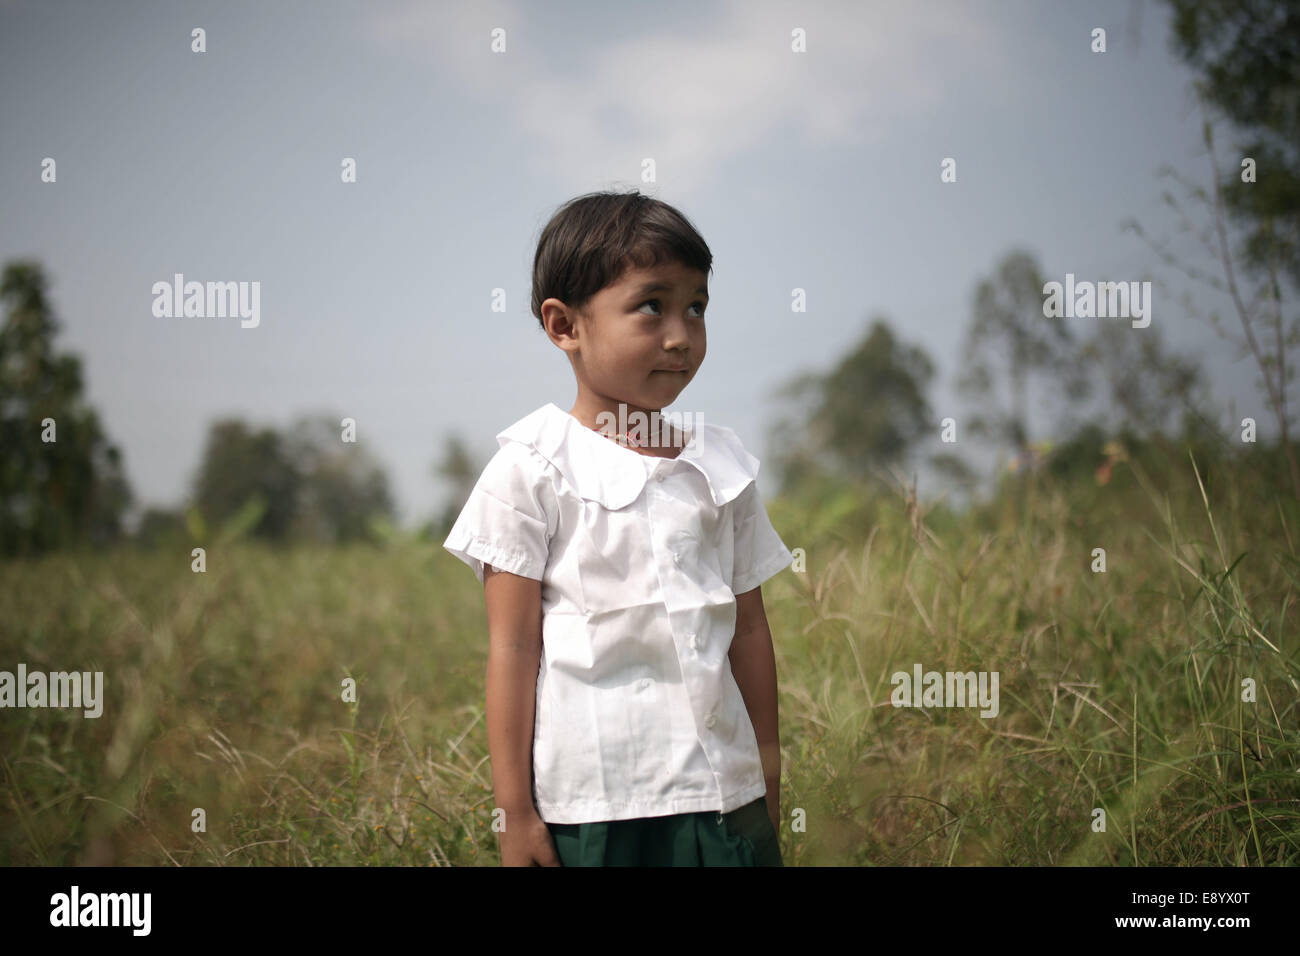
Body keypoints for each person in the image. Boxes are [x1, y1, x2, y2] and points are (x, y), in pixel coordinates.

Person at [443, 189, 793, 866]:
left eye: (697, 307)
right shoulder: (531, 471)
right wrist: (515, 813)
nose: (680, 334)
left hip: (724, 797)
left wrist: (768, 785)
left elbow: (750, 634)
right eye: (651, 305)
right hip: (595, 809)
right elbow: (513, 651)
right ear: (564, 325)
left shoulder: (719, 467)